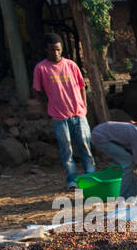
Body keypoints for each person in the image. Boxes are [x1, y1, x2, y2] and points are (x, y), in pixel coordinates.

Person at [30, 33, 95, 190]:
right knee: (66, 149)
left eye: (58, 50)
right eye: (52, 50)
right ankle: (72, 180)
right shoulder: (41, 68)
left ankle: (91, 178)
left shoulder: (71, 65)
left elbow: (81, 86)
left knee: (85, 146)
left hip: (78, 113)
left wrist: (84, 106)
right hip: (58, 116)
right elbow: (37, 91)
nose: (56, 53)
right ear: (46, 50)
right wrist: (45, 108)